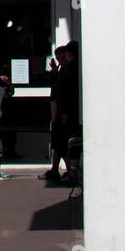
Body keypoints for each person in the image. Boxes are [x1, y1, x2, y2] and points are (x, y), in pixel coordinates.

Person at [41, 42, 80, 182]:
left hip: (65, 111)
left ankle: (71, 171)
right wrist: (54, 71)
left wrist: (64, 111)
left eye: (61, 57)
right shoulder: (65, 69)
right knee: (58, 141)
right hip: (59, 110)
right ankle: (57, 169)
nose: (60, 60)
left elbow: (66, 92)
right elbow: (56, 85)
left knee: (63, 141)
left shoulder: (72, 69)